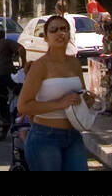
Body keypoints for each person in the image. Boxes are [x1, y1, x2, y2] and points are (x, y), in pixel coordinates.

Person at [17, 14, 93, 171]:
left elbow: (81, 94)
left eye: (64, 29)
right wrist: (59, 104)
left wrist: (87, 100)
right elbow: (23, 106)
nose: (60, 33)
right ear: (46, 37)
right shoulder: (40, 66)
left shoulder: (74, 63)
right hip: (45, 136)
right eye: (54, 30)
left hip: (73, 134)